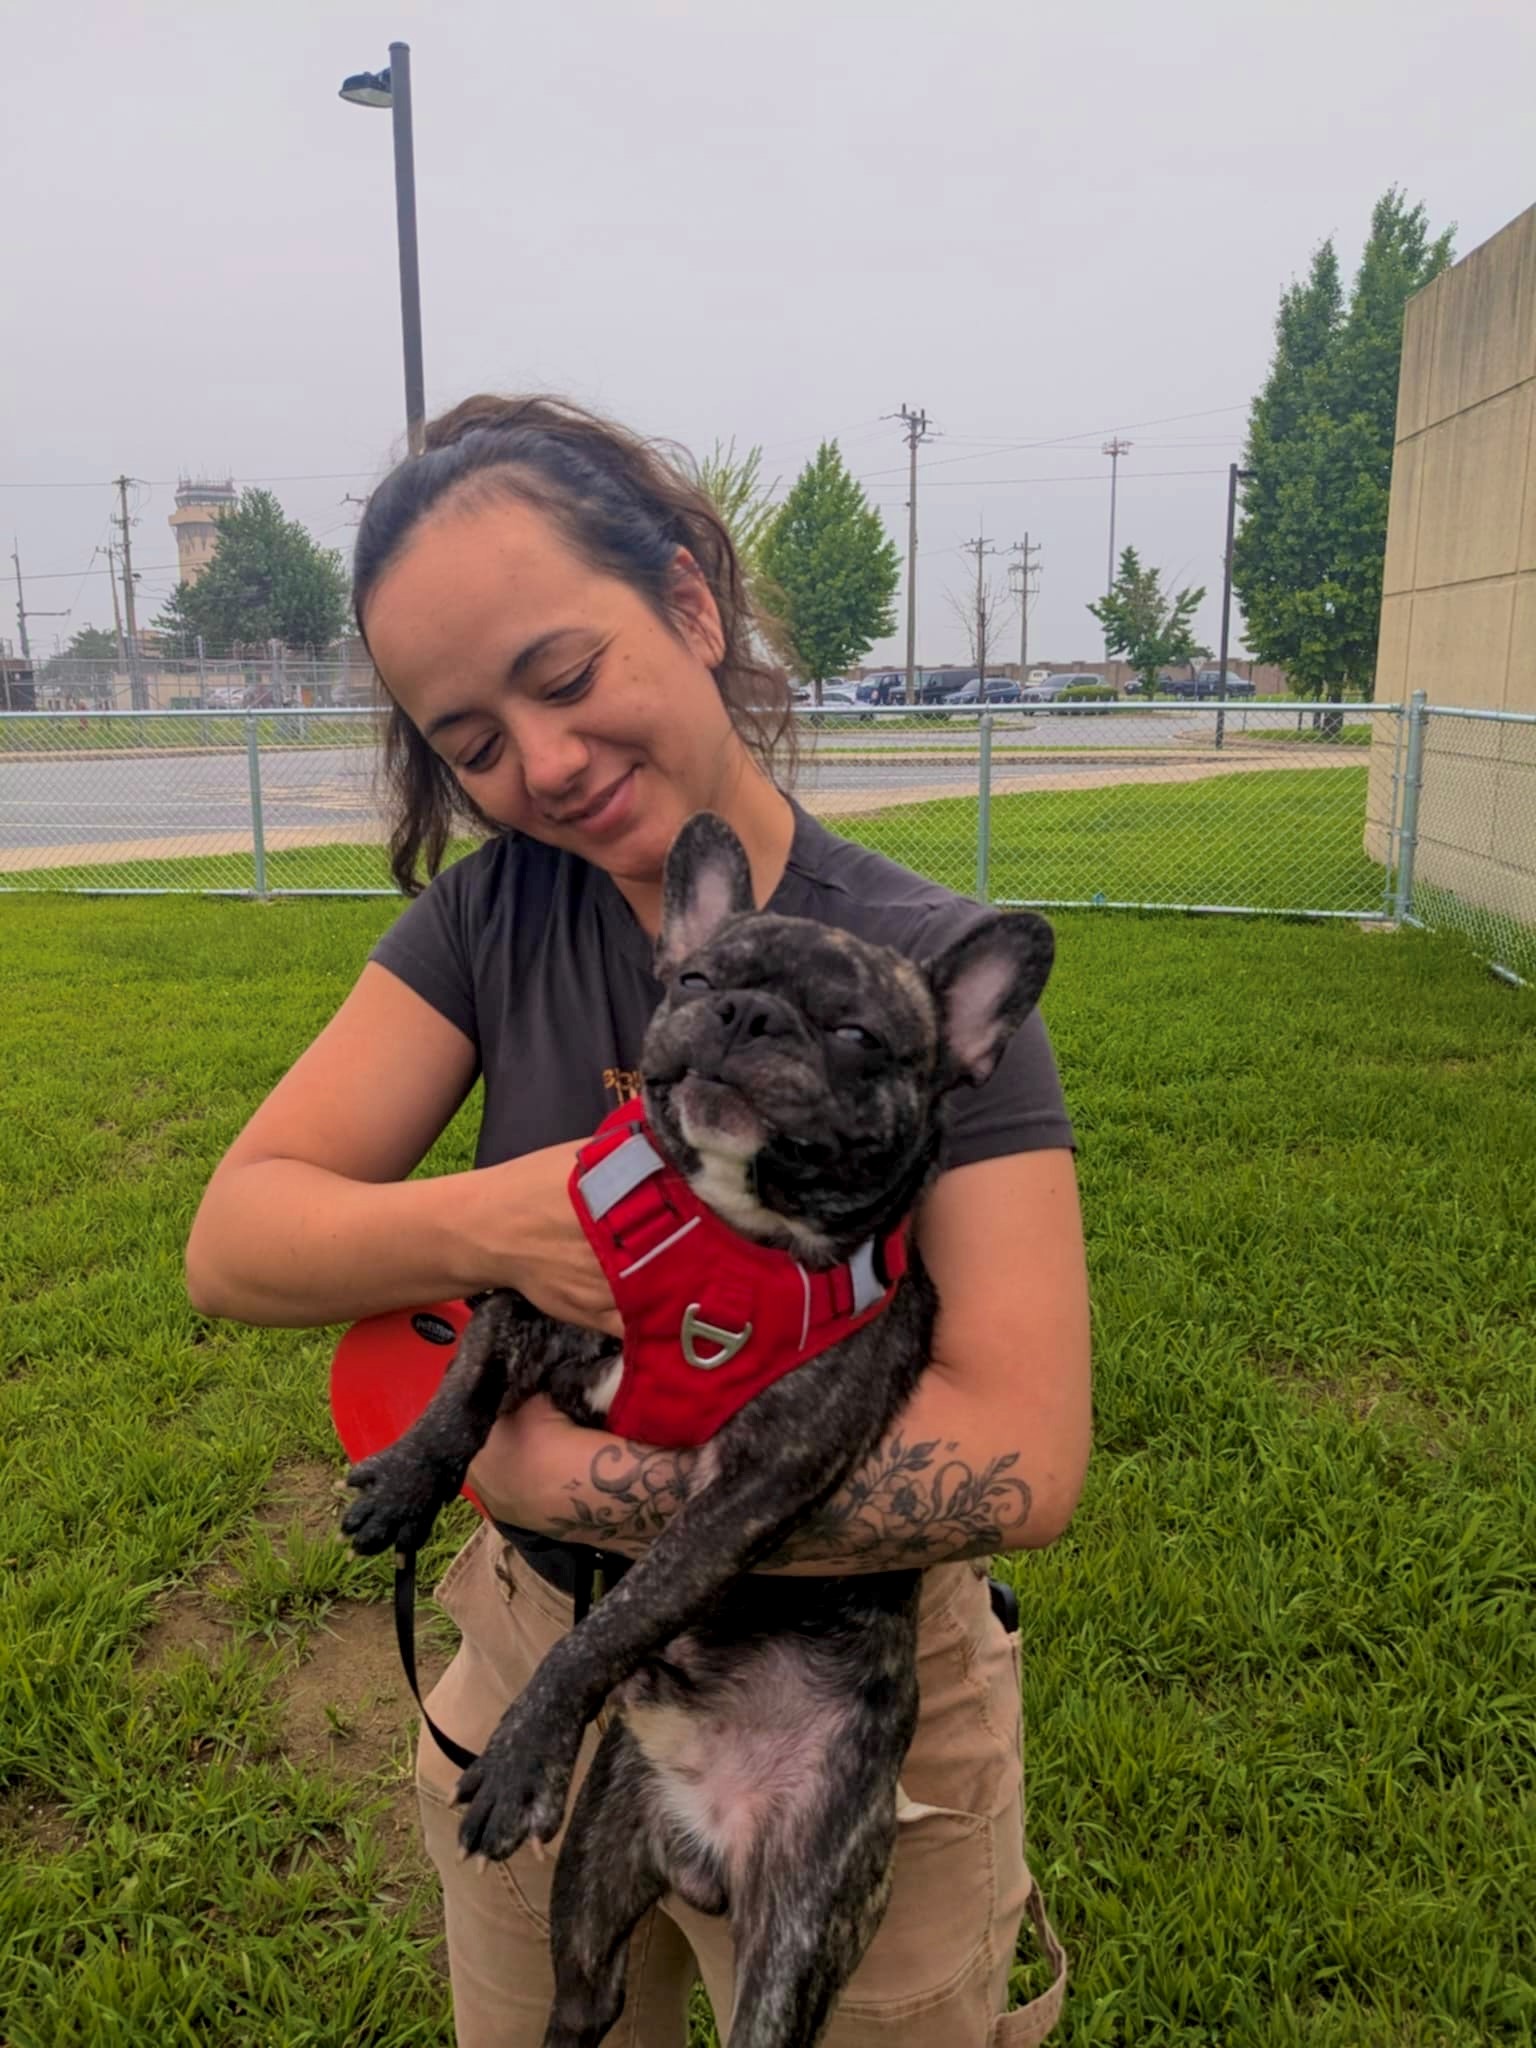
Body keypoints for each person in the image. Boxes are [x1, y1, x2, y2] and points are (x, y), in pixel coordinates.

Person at [186, 395, 1092, 2048]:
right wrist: (506, 1222)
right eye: (469, 740)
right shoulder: (492, 915)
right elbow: (237, 1237)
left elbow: (1023, 1458)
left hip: (846, 1692)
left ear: (689, 606)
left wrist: (540, 1470)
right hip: (534, 1641)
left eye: (564, 674)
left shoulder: (916, 968)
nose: (538, 764)